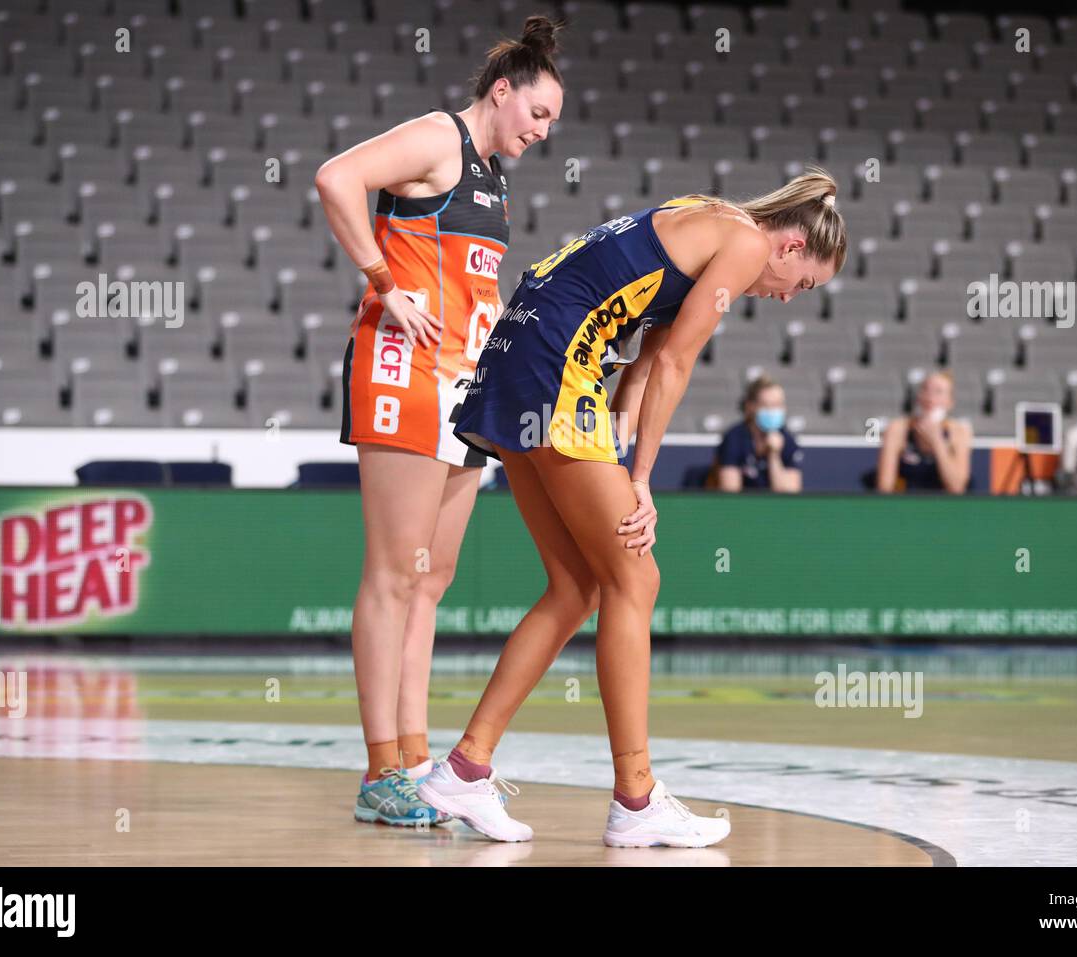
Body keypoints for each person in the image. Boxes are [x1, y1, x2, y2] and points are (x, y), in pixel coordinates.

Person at [415, 169, 846, 845]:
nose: (790, 298)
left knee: (579, 585)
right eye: (804, 283)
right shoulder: (744, 243)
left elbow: (645, 355)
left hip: (519, 356)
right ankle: (636, 798)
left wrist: (618, 436)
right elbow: (676, 362)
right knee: (636, 577)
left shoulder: (703, 215)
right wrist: (641, 476)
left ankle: (464, 769)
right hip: (556, 363)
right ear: (789, 247)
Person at [314, 16, 564, 826]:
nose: (543, 130)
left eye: (552, 121)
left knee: (431, 579)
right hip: (403, 374)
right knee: (392, 576)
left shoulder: (494, 173)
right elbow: (334, 177)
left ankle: (415, 759)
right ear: (502, 92)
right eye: (539, 113)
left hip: (464, 387)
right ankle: (380, 766)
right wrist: (384, 282)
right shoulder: (437, 137)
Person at [875, 371, 972, 494]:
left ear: (950, 402)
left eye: (938, 392)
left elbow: (957, 488)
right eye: (925, 389)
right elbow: (884, 487)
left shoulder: (959, 432)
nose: (930, 397)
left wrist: (937, 441)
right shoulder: (897, 429)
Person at [715, 374, 804, 492]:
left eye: (777, 405)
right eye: (766, 405)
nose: (772, 411)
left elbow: (789, 494)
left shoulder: (787, 440)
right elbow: (730, 490)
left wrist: (774, 455)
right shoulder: (734, 438)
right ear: (751, 406)